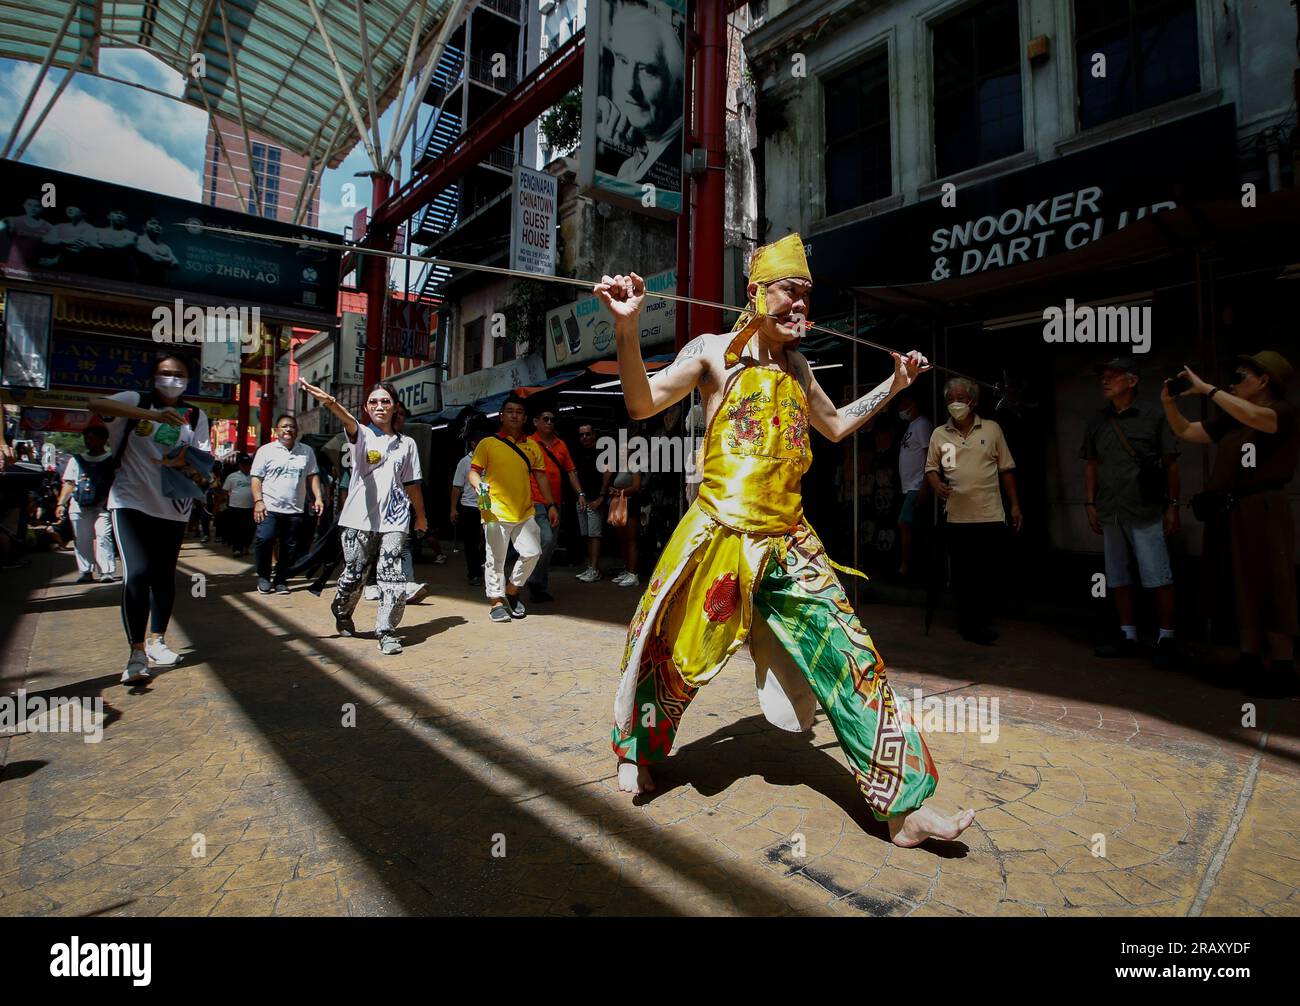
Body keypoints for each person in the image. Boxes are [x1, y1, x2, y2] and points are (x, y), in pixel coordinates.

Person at [593, 235, 974, 847]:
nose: (801, 306)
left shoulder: (797, 366)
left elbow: (836, 424)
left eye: (806, 295)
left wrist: (896, 385)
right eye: (789, 293)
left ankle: (904, 808)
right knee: (672, 655)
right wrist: (628, 330)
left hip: (791, 542)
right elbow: (641, 404)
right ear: (756, 293)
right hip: (719, 534)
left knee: (854, 662)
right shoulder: (711, 353)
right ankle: (636, 749)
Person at [1162, 351, 1299, 697]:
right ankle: (1249, 660)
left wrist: (1207, 389)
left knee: (1271, 582)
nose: (1233, 383)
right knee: (1242, 583)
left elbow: (1260, 419)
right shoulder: (1233, 418)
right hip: (1232, 509)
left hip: (1264, 507)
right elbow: (1187, 431)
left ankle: (1283, 667)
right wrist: (1169, 403)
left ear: (1264, 381)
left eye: (1240, 377)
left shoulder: (1281, 411)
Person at [88, 354, 212, 684]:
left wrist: (183, 460)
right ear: (153, 376)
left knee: (163, 576)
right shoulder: (133, 401)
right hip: (130, 501)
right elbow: (94, 403)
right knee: (138, 573)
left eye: (180, 374)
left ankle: (158, 640)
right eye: (165, 373)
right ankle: (136, 652)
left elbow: (203, 460)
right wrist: (151, 415)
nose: (172, 379)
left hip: (173, 506)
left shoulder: (195, 415)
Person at [300, 379, 427, 655]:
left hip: (395, 520)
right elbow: (347, 420)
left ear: (395, 407)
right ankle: (342, 609)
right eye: (373, 402)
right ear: (367, 409)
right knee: (354, 575)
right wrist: (330, 402)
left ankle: (386, 630)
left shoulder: (407, 445)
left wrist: (421, 518)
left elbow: (412, 485)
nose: (379, 406)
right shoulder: (361, 435)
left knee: (392, 576)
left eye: (385, 401)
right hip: (358, 520)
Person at [1081, 356, 1180, 668]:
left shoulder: (1154, 416)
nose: (1105, 381)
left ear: (1132, 381)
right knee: (1118, 575)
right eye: (1103, 376)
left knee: (1158, 575)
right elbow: (1091, 465)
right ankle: (1128, 635)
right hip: (1111, 509)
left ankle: (1167, 637)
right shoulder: (1097, 420)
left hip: (1146, 507)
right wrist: (1089, 503)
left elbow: (1171, 463)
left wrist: (1173, 507)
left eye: (1113, 376)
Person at [925, 377, 1022, 645]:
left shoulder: (991, 430)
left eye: (960, 398)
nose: (955, 403)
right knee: (962, 573)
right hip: (956, 516)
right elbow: (932, 468)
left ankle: (982, 620)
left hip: (990, 514)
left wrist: (1014, 505)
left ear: (973, 401)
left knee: (986, 572)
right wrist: (936, 486)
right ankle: (968, 623)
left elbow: (1006, 469)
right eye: (950, 399)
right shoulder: (939, 434)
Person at [465, 395, 559, 624]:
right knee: (495, 559)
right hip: (494, 511)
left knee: (533, 552)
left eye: (518, 411)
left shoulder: (532, 446)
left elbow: (541, 477)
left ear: (525, 417)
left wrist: (550, 504)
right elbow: (473, 471)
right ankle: (496, 602)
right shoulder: (488, 443)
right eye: (509, 411)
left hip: (525, 511)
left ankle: (512, 590)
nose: (514, 415)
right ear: (501, 416)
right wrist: (479, 486)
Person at [596, 1, 685, 188]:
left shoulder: (677, 158)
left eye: (647, 70)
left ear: (677, 86)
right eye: (623, 61)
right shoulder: (632, 148)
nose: (629, 86)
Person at [250, 414, 322, 595]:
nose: (288, 429)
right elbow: (256, 478)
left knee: (289, 547)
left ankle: (281, 579)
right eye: (284, 426)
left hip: (295, 509)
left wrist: (318, 497)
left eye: (291, 427)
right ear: (277, 430)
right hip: (269, 507)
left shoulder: (306, 451)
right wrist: (258, 501)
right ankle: (264, 576)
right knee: (264, 539)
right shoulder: (266, 450)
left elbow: (312, 476)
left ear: (297, 431)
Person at [526, 406, 582, 602]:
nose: (550, 422)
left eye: (552, 420)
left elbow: (571, 471)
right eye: (546, 419)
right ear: (535, 422)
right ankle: (533, 580)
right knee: (547, 540)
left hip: (555, 503)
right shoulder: (528, 443)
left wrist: (580, 494)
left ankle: (539, 586)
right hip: (535, 502)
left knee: (549, 545)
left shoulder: (561, 445)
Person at [54, 424, 117, 583]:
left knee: (103, 535)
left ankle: (106, 571)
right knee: (82, 538)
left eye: (92, 438)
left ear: (103, 440)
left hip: (104, 505)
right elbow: (69, 483)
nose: (88, 442)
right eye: (86, 438)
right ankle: (85, 571)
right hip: (79, 505)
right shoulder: (76, 460)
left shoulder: (112, 460)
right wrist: (61, 503)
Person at [895, 392, 932, 578]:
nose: (902, 408)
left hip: (917, 485)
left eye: (905, 403)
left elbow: (929, 455)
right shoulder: (911, 426)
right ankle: (912, 566)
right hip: (909, 485)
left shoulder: (922, 424)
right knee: (911, 525)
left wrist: (926, 484)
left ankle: (906, 567)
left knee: (904, 523)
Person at [451, 428, 488, 587]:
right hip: (469, 506)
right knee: (471, 542)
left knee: (487, 540)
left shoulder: (491, 460)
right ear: (473, 443)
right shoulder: (465, 462)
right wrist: (453, 508)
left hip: (488, 505)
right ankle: (473, 573)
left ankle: (481, 566)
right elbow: (456, 487)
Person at [603, 434, 642, 586]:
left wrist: (620, 492)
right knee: (623, 539)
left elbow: (636, 487)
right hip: (619, 504)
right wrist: (613, 490)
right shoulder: (620, 467)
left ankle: (633, 574)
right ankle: (627, 569)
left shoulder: (635, 466)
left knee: (631, 540)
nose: (623, 451)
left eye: (626, 449)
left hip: (630, 504)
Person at [571, 422, 608, 582]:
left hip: (594, 499)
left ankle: (594, 568)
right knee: (587, 534)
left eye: (587, 434)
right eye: (581, 435)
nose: (585, 437)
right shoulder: (577, 453)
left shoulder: (602, 451)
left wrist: (601, 495)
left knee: (595, 534)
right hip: (582, 499)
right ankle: (591, 567)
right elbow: (573, 474)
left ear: (594, 435)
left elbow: (608, 472)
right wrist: (580, 495)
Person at [220, 455, 256, 556]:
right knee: (236, 529)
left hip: (251, 508)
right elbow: (224, 491)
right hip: (235, 507)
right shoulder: (232, 476)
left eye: (248, 465)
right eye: (244, 465)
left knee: (250, 529)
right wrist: (218, 504)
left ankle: (246, 546)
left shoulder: (254, 476)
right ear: (240, 465)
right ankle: (237, 548)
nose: (246, 467)